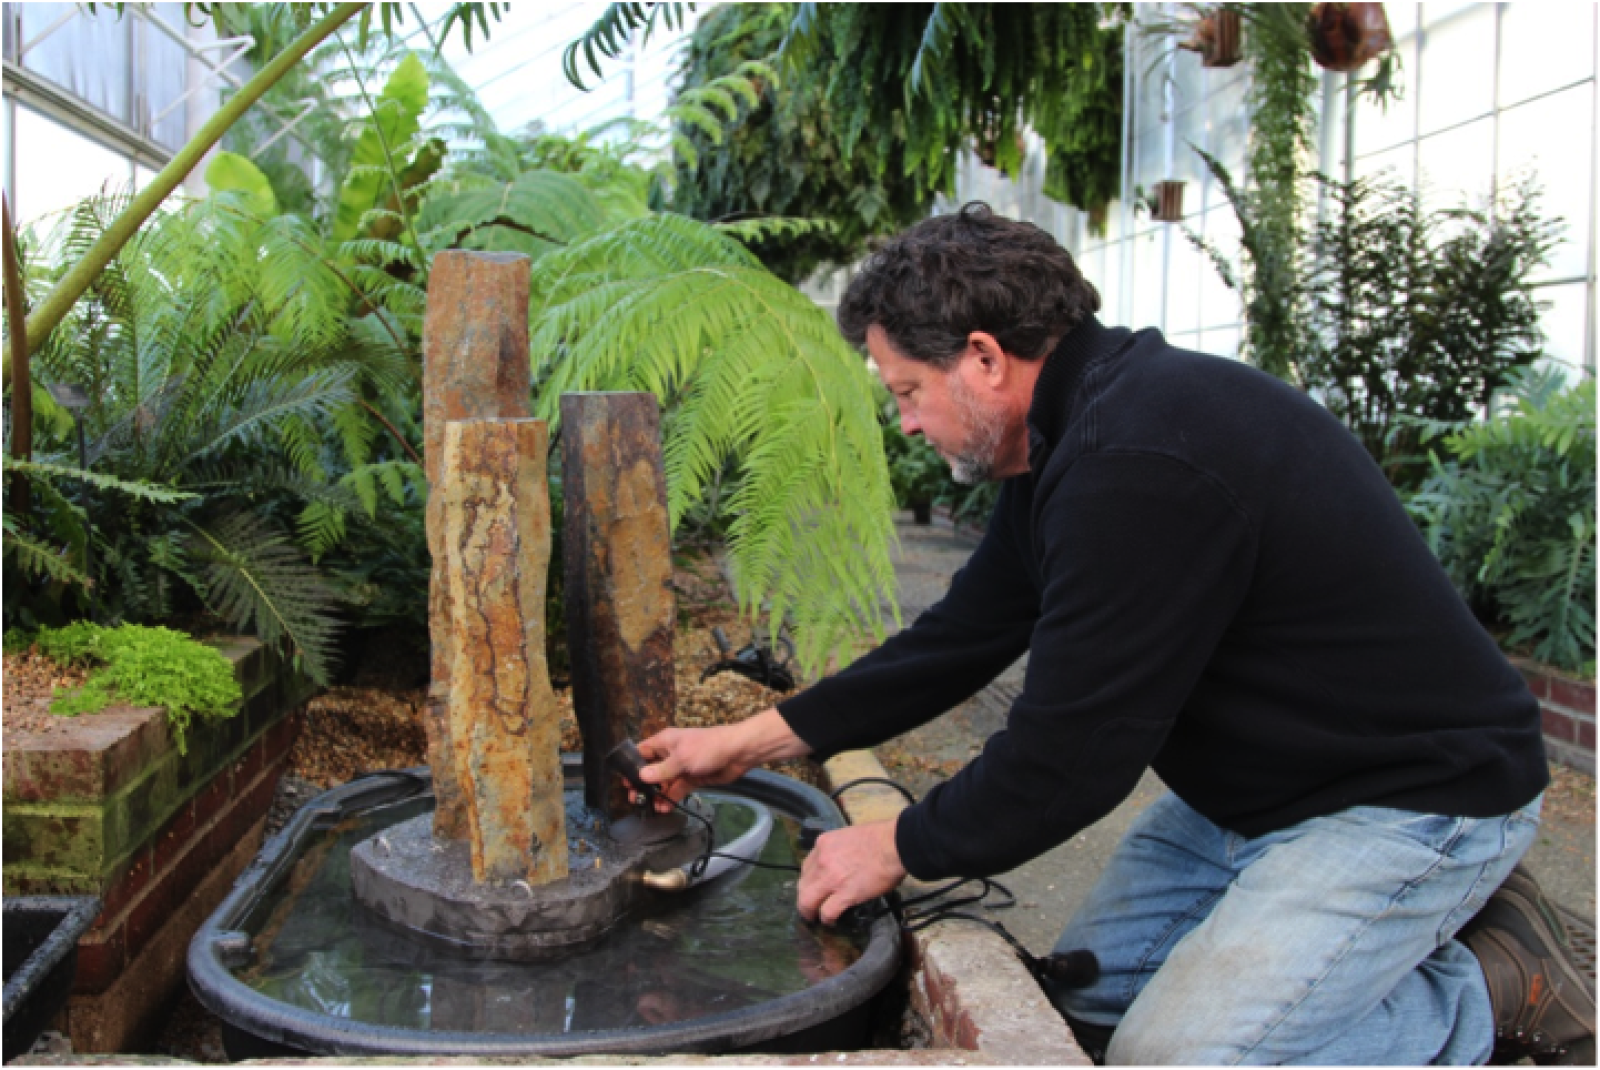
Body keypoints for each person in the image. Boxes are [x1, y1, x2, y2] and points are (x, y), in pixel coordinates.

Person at [635, 204, 1597, 1068]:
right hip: (1260, 796)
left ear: (982, 356)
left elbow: (1068, 760)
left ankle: (1490, 986)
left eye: (906, 391)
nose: (907, 424)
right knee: (1087, 1005)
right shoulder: (1071, 439)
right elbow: (961, 638)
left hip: (1411, 798)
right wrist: (750, 740)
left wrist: (898, 845)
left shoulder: (1138, 461)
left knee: (1175, 1060)